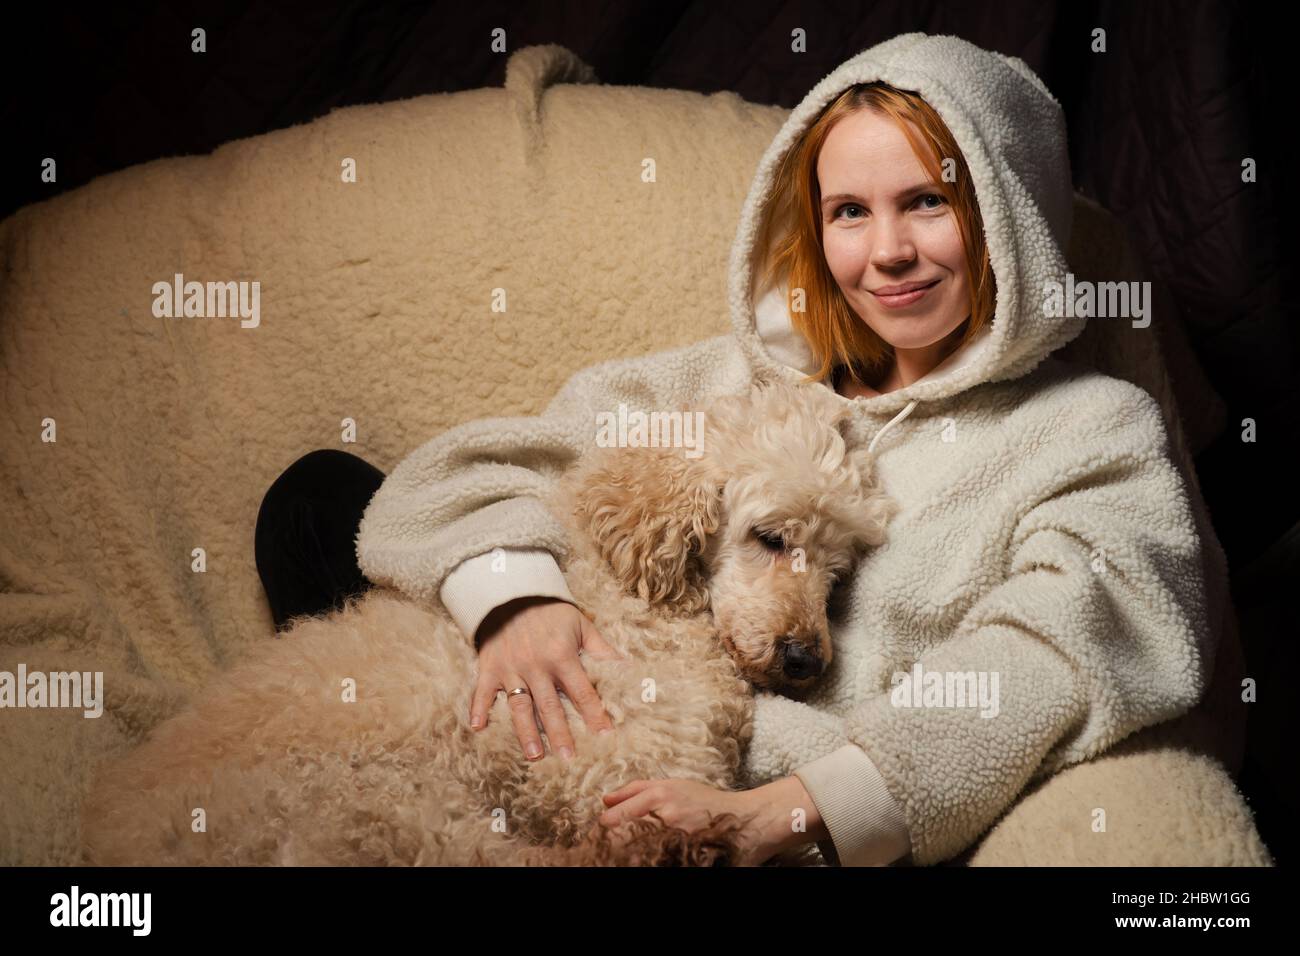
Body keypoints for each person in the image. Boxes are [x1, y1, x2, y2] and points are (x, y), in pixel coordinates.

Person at [262, 33, 1220, 867]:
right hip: (589, 694)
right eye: (850, 211)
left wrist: (792, 812)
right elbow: (483, 469)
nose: (886, 251)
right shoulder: (745, 378)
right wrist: (515, 604)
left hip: (748, 762)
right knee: (325, 501)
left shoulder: (1089, 430)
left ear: (1004, 213)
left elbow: (1048, 661)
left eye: (927, 202)